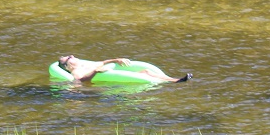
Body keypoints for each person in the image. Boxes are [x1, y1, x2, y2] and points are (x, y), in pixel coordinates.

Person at [56, 54, 189, 84]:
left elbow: (102, 62)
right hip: (108, 80)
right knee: (146, 75)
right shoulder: (76, 71)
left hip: (114, 73)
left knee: (146, 71)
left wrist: (116, 60)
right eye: (69, 57)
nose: (72, 55)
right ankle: (175, 81)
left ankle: (175, 80)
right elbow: (80, 79)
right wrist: (96, 71)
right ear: (68, 65)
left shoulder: (86, 64)